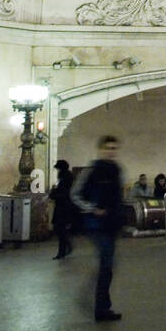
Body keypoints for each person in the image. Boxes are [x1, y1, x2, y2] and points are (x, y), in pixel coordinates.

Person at [71, 136, 126, 321]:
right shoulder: (92, 170)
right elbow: (75, 194)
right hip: (95, 225)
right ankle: (101, 309)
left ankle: (97, 303)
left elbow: (118, 197)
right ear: (100, 149)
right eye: (108, 148)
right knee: (106, 264)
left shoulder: (117, 170)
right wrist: (93, 209)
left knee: (107, 266)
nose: (111, 151)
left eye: (114, 148)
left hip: (111, 224)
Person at [49, 159, 77, 260]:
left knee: (60, 229)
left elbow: (63, 193)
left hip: (63, 208)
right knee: (60, 230)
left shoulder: (65, 178)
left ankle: (62, 251)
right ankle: (67, 247)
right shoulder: (67, 176)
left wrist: (53, 194)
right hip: (64, 207)